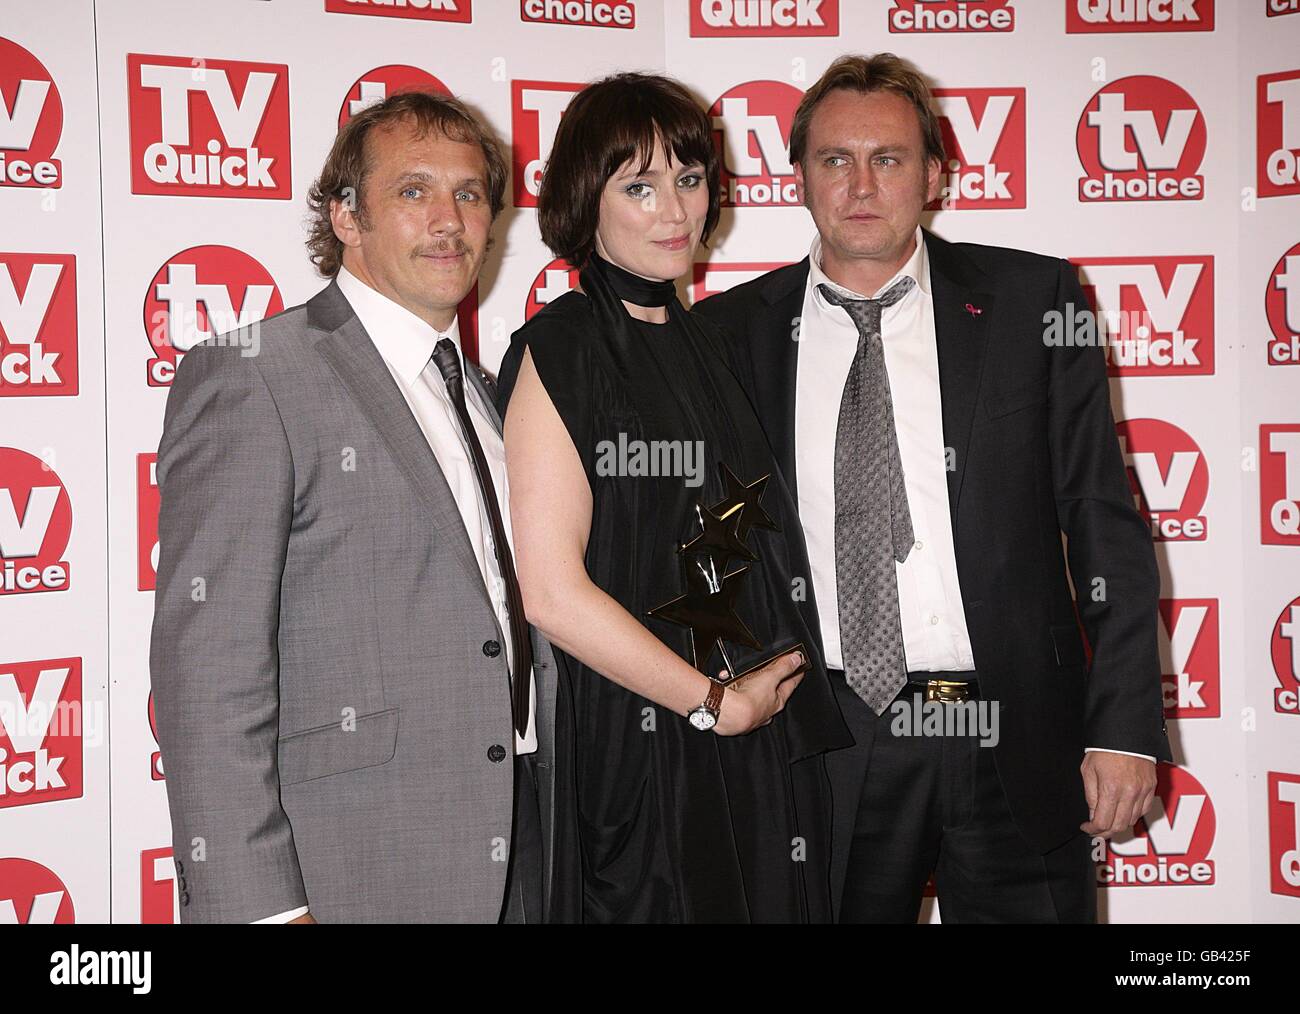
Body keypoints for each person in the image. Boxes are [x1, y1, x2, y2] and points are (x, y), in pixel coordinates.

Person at [694, 53, 1170, 924]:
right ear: (798, 178)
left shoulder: (1033, 303)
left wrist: (1124, 728)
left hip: (1013, 729)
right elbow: (707, 547)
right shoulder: (727, 335)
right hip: (824, 733)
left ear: (935, 175)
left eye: (890, 158)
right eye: (835, 160)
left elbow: (1103, 525)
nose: (861, 184)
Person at [150, 91, 557, 923]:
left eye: (470, 193)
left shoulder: (485, 394)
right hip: (353, 868)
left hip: (522, 845)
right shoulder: (255, 375)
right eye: (413, 191)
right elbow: (208, 671)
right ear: (345, 216)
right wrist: (258, 908)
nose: (449, 220)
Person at [496, 72, 853, 923]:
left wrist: (747, 707)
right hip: (650, 738)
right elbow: (549, 592)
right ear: (587, 201)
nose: (674, 212)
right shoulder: (562, 348)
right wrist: (709, 706)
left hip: (758, 732)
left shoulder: (711, 341)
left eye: (688, 180)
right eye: (640, 186)